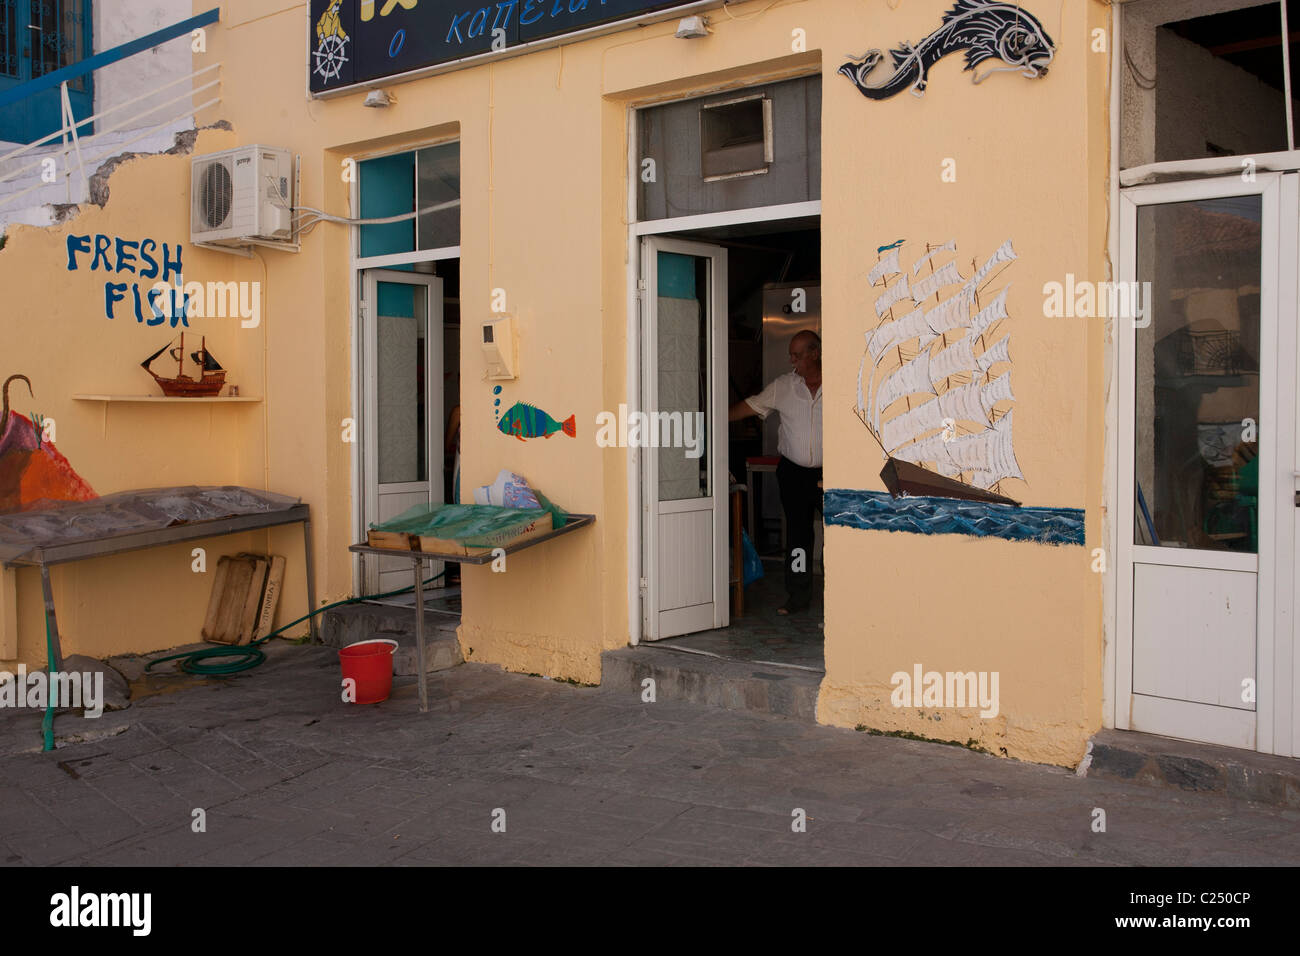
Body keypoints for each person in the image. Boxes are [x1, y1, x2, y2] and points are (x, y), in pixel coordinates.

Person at [729, 330, 822, 615]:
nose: (792, 360)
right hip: (793, 473)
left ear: (814, 354)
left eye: (797, 355)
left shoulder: (840, 381)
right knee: (798, 537)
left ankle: (847, 597)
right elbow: (751, 405)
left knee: (843, 535)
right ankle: (797, 598)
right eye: (791, 355)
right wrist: (712, 415)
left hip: (833, 473)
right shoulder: (784, 386)